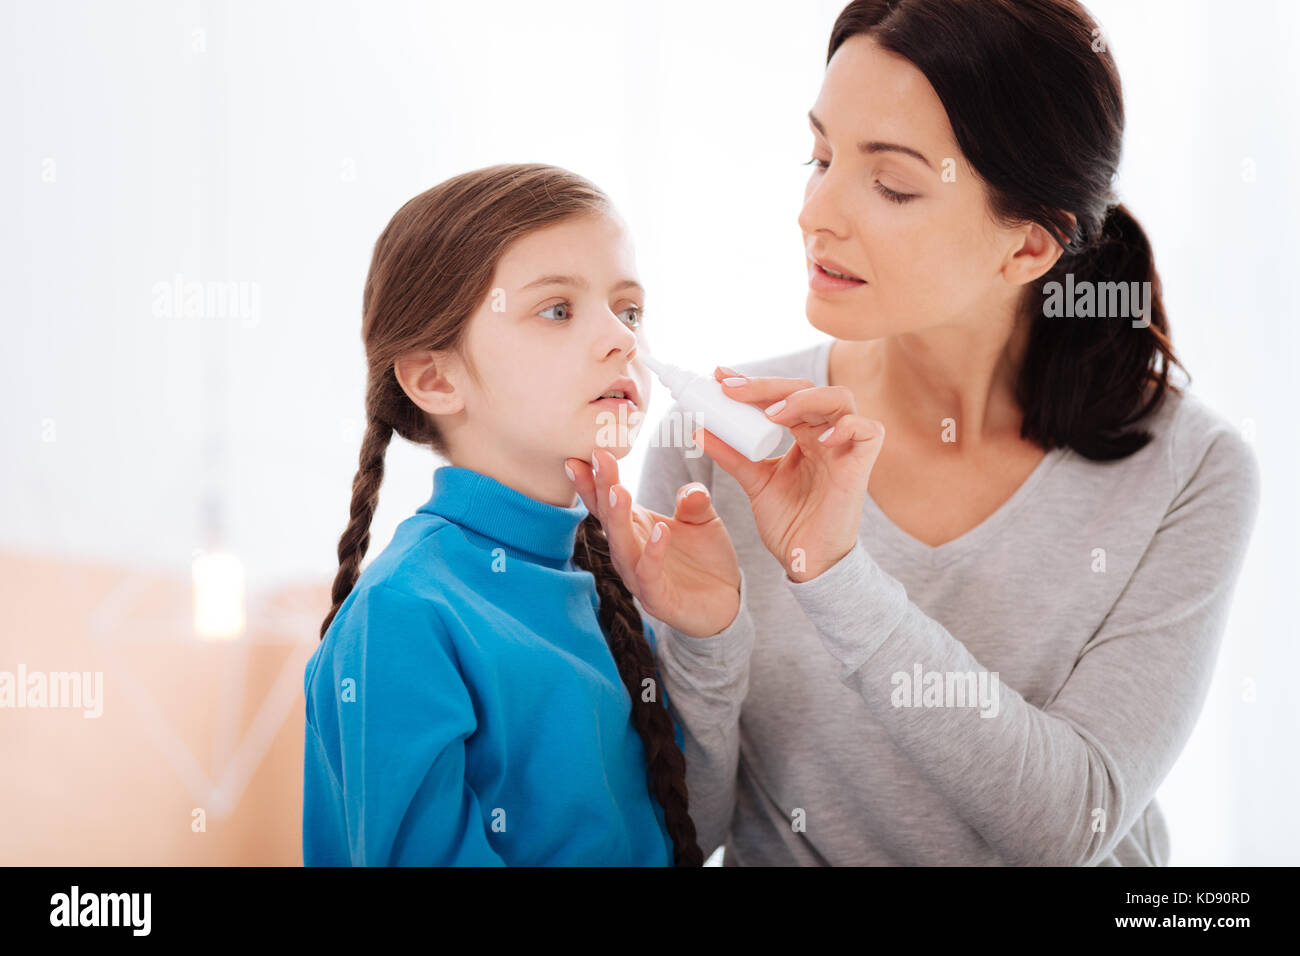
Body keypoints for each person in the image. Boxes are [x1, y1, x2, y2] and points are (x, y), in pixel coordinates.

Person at [574, 0, 1262, 865]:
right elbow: (685, 833)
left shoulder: (1192, 472)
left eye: (891, 184)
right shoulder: (721, 447)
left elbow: (1071, 826)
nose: (813, 213)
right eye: (818, 155)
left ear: (1028, 249)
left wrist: (834, 576)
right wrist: (705, 647)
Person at [301, 163, 750, 865]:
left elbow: (698, 831)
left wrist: (708, 637)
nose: (624, 341)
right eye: (558, 311)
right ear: (434, 378)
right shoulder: (403, 615)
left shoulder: (619, 584)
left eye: (628, 310)